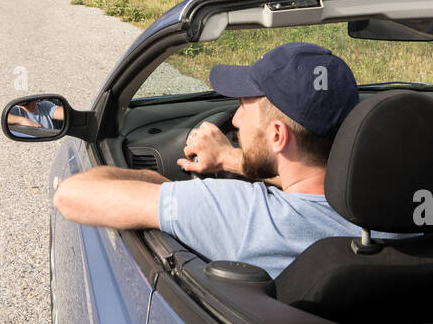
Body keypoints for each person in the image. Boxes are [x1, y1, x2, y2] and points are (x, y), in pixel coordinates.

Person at [52, 42, 411, 278]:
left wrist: (159, 183)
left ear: (276, 136)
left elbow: (70, 195)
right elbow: (317, 181)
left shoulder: (242, 214)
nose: (236, 120)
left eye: (243, 105)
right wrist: (229, 158)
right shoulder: (414, 212)